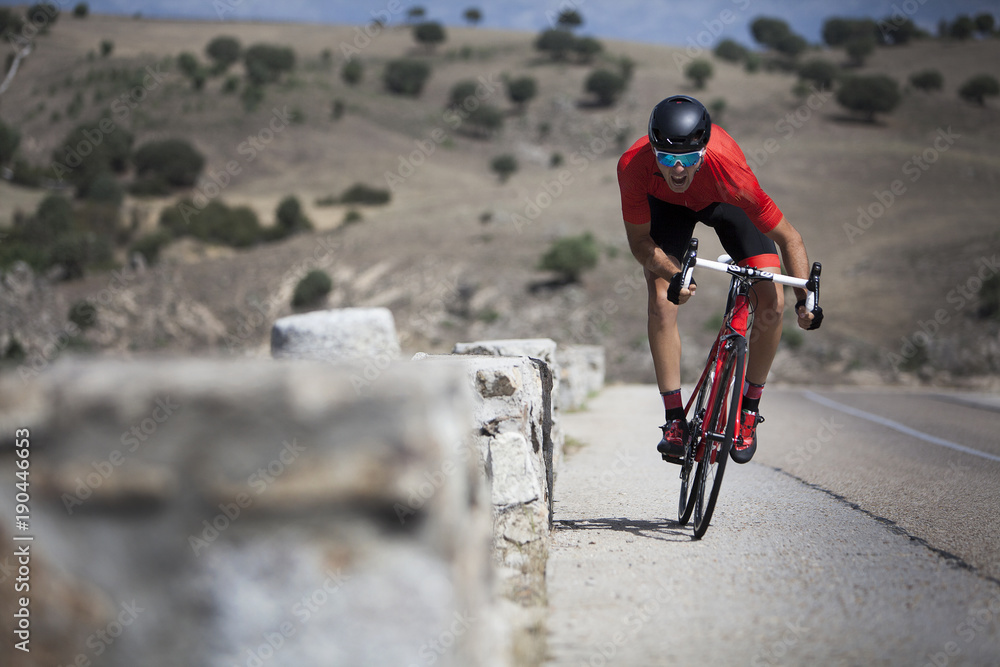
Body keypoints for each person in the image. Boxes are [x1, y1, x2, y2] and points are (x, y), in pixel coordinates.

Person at [617, 95, 823, 465]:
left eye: (688, 159)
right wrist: (675, 275)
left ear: (704, 151)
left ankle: (748, 410)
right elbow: (639, 243)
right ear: (652, 150)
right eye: (666, 158)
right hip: (666, 208)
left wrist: (803, 301)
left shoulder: (731, 171)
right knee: (662, 301)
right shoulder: (633, 166)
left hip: (726, 200)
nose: (677, 170)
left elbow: (790, 238)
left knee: (772, 302)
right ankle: (674, 421)